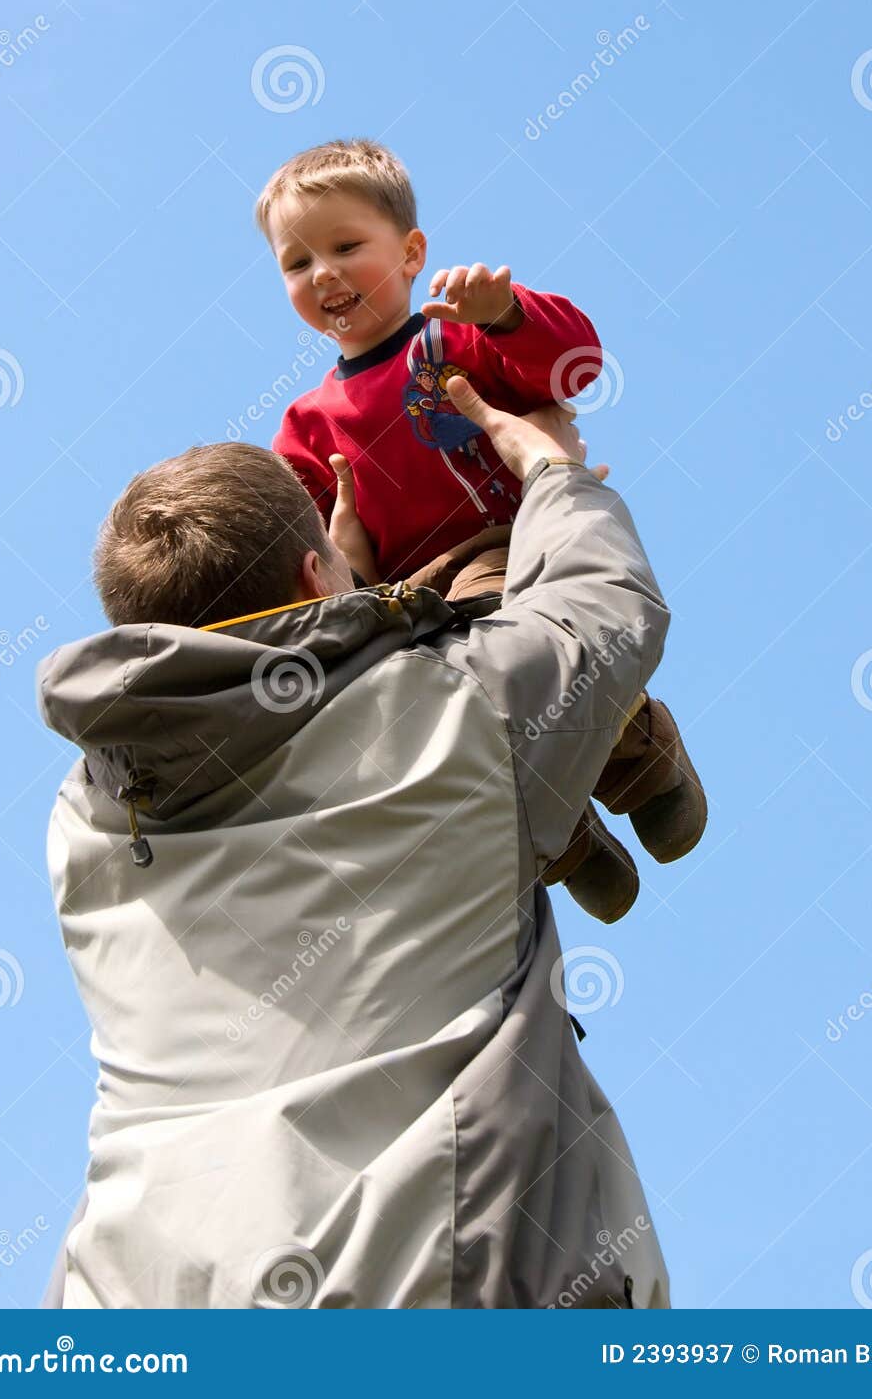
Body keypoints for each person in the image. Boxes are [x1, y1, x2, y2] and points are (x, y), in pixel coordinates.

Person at [38, 375, 671, 1308]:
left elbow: (243, 712)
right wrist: (549, 469)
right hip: (431, 1285)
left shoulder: (82, 817)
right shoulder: (461, 708)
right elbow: (606, 607)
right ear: (311, 573)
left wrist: (336, 609)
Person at [262, 138, 706, 922]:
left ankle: (639, 758)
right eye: (297, 262)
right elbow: (294, 538)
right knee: (437, 712)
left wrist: (505, 314)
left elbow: (575, 364)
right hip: (403, 599)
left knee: (514, 643)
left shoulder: (452, 342)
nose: (322, 273)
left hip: (502, 546)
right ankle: (565, 844)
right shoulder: (307, 422)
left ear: (410, 253)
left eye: (345, 247)